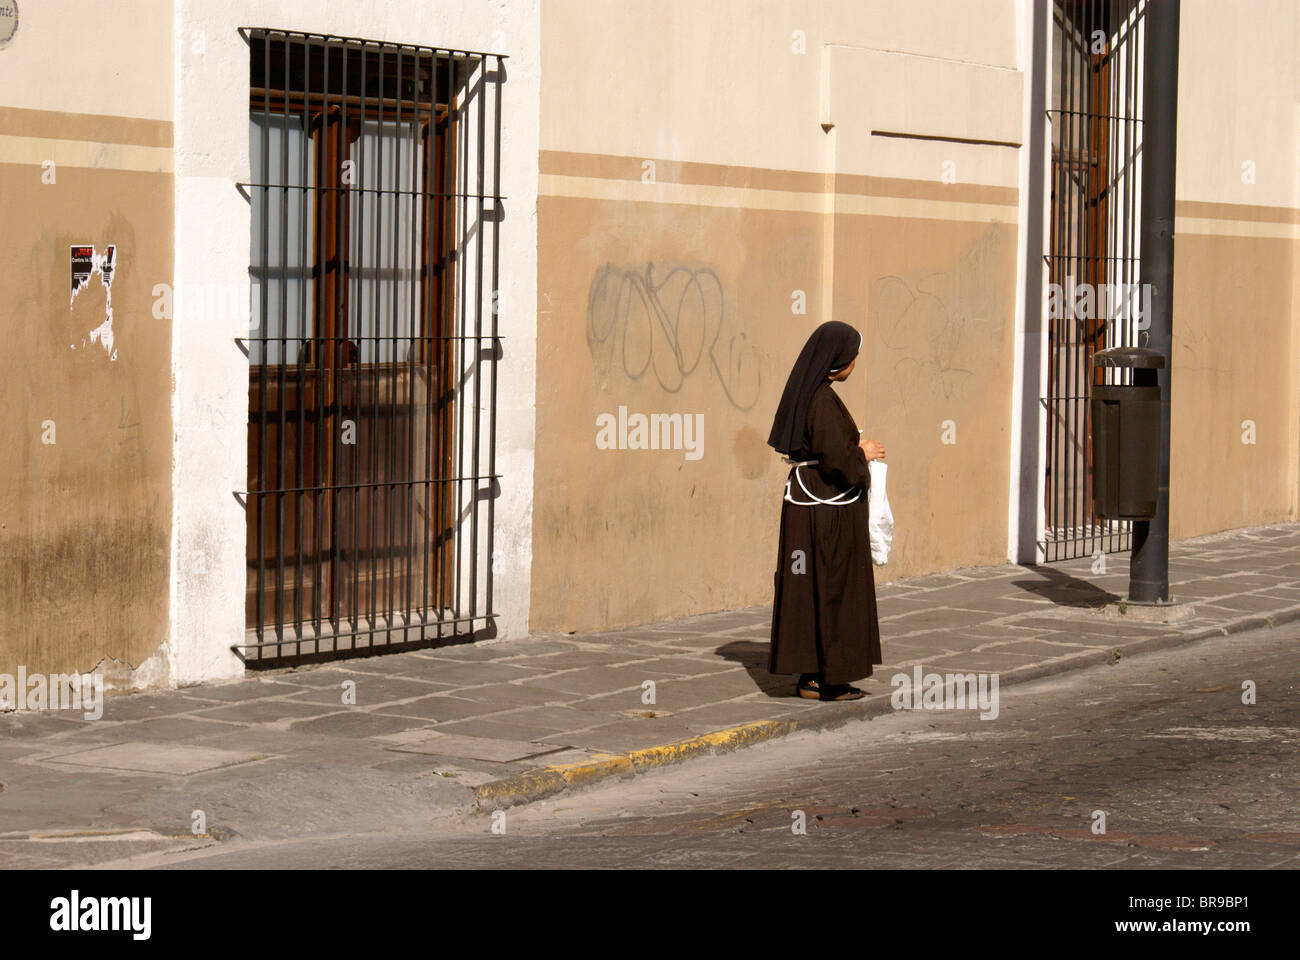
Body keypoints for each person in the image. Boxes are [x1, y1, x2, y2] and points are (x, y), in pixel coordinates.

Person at [766, 320, 885, 701]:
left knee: (810, 589)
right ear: (838, 359)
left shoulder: (811, 394)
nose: (854, 363)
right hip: (825, 510)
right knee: (833, 587)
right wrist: (861, 454)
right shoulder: (821, 399)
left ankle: (813, 675)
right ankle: (827, 677)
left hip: (808, 507)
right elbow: (836, 459)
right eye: (852, 358)